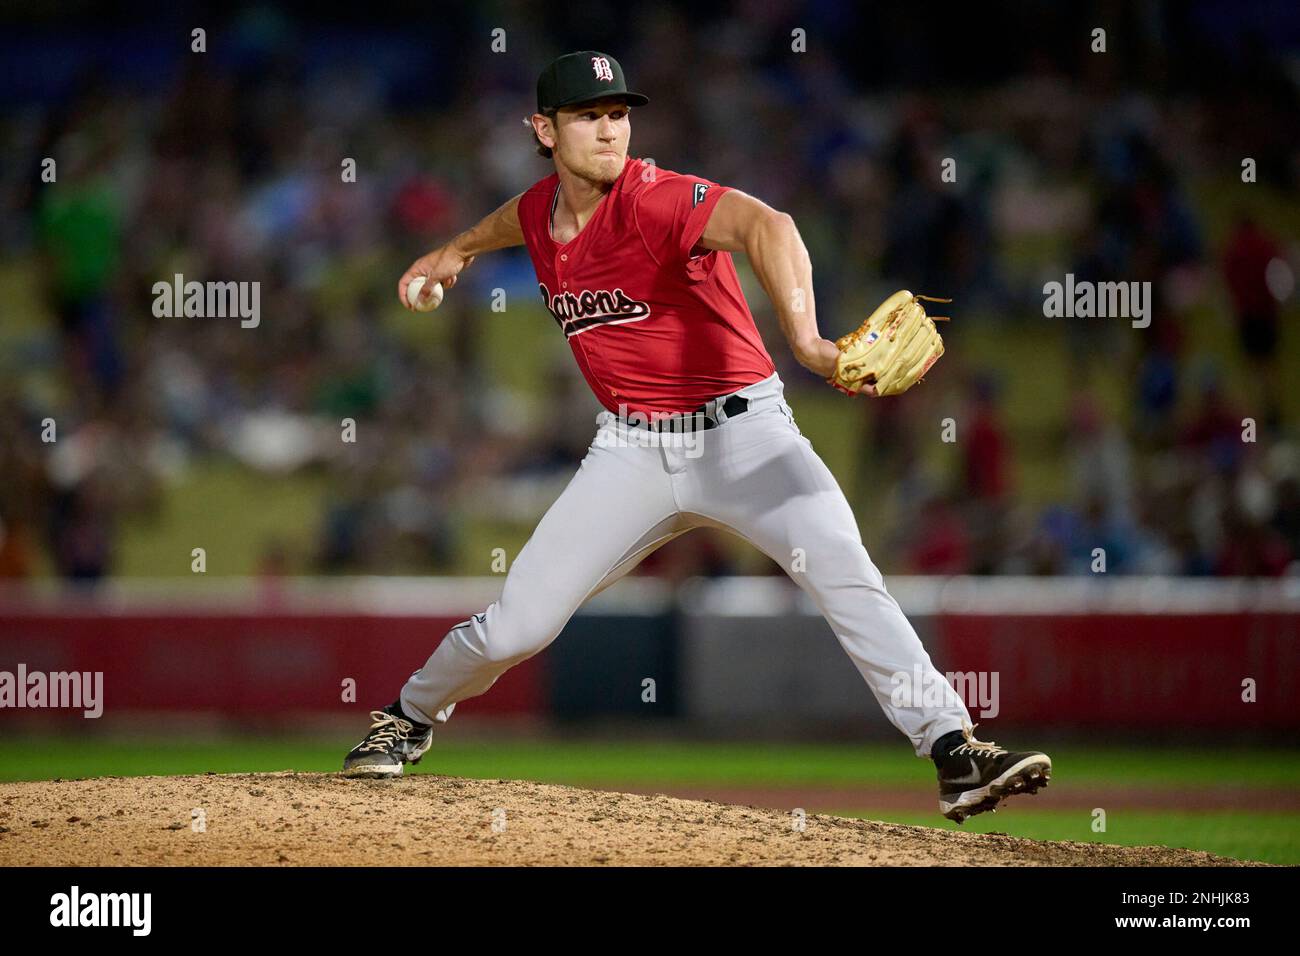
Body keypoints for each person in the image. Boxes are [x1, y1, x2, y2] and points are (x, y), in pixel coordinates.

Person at [343, 51, 1051, 822]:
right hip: (632, 452)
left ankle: (953, 748)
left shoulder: (656, 199)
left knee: (847, 573)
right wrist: (450, 254)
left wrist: (810, 343)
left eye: (619, 113)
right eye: (589, 115)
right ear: (544, 130)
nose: (612, 129)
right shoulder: (540, 214)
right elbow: (508, 222)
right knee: (519, 625)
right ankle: (407, 716)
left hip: (747, 436)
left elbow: (767, 225)